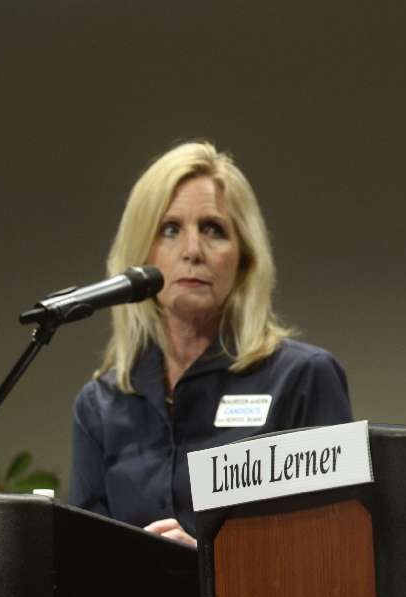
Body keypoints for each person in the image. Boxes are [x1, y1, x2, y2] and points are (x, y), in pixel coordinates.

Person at [69, 141, 353, 546]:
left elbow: (335, 549)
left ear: (244, 258)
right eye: (170, 229)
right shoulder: (100, 405)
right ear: (140, 254)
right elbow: (83, 558)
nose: (192, 251)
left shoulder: (303, 378)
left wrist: (206, 565)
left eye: (213, 230)